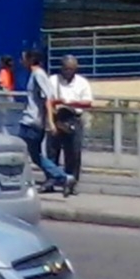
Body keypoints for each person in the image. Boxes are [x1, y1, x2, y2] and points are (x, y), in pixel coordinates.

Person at [16, 50, 68, 193]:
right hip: (32, 120)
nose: (21, 61)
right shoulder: (37, 75)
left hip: (32, 121)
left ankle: (61, 176)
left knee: (20, 151)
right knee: (34, 155)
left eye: (23, 58)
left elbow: (48, 99)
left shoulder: (38, 75)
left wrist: (50, 122)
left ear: (30, 60)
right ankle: (61, 176)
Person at [47, 55, 94, 196]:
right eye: (66, 68)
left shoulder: (82, 83)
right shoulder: (53, 80)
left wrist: (69, 102)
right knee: (52, 152)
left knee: (73, 153)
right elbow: (47, 100)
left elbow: (88, 102)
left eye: (71, 69)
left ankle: (71, 182)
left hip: (73, 118)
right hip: (57, 117)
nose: (68, 72)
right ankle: (51, 180)